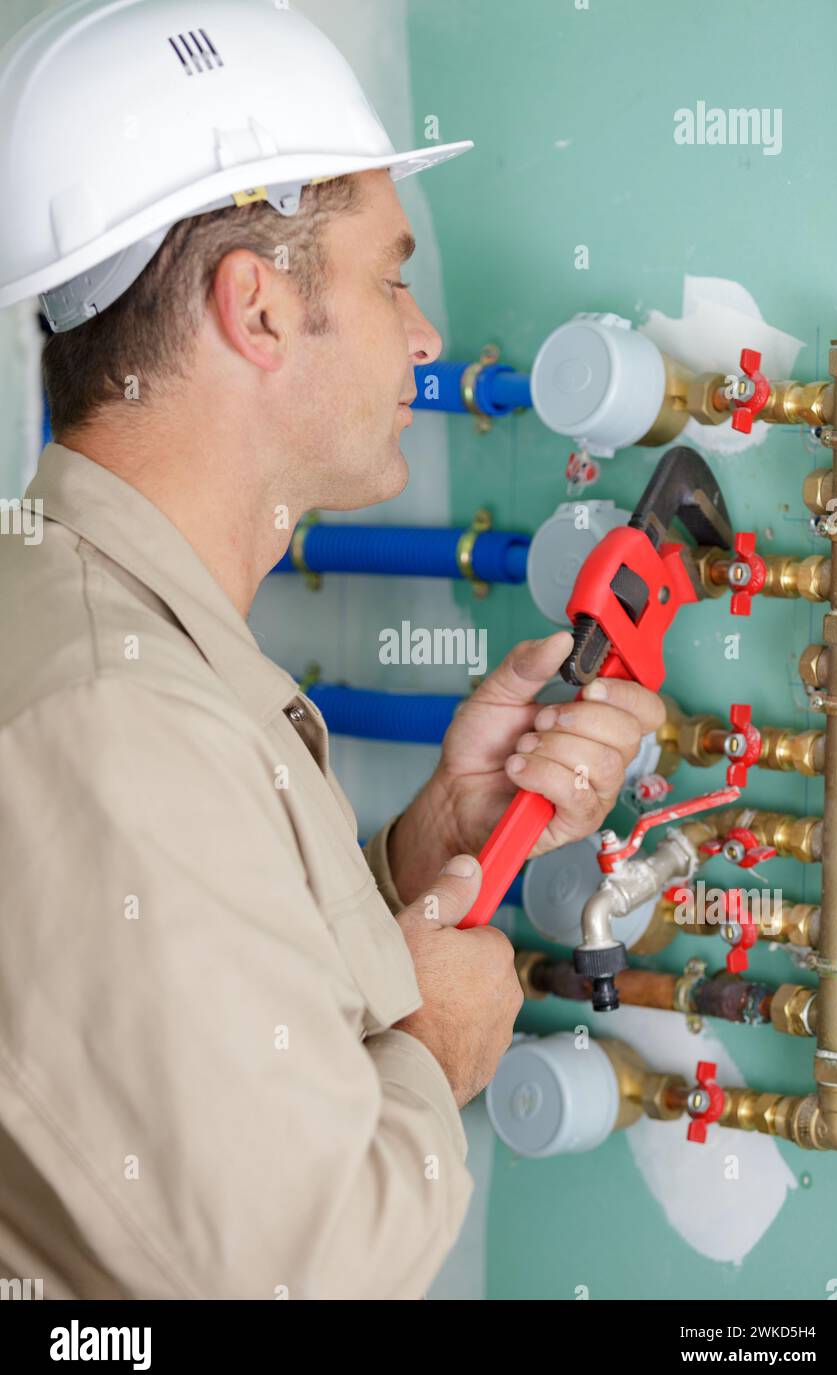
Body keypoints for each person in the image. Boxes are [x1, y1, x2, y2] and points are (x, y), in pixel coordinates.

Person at [0, 0, 665, 1298]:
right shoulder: (114, 722)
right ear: (255, 309)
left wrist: (422, 851)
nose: (423, 340)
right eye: (388, 276)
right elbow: (296, 1277)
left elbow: (169, 1016)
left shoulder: (100, 633)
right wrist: (430, 1045)